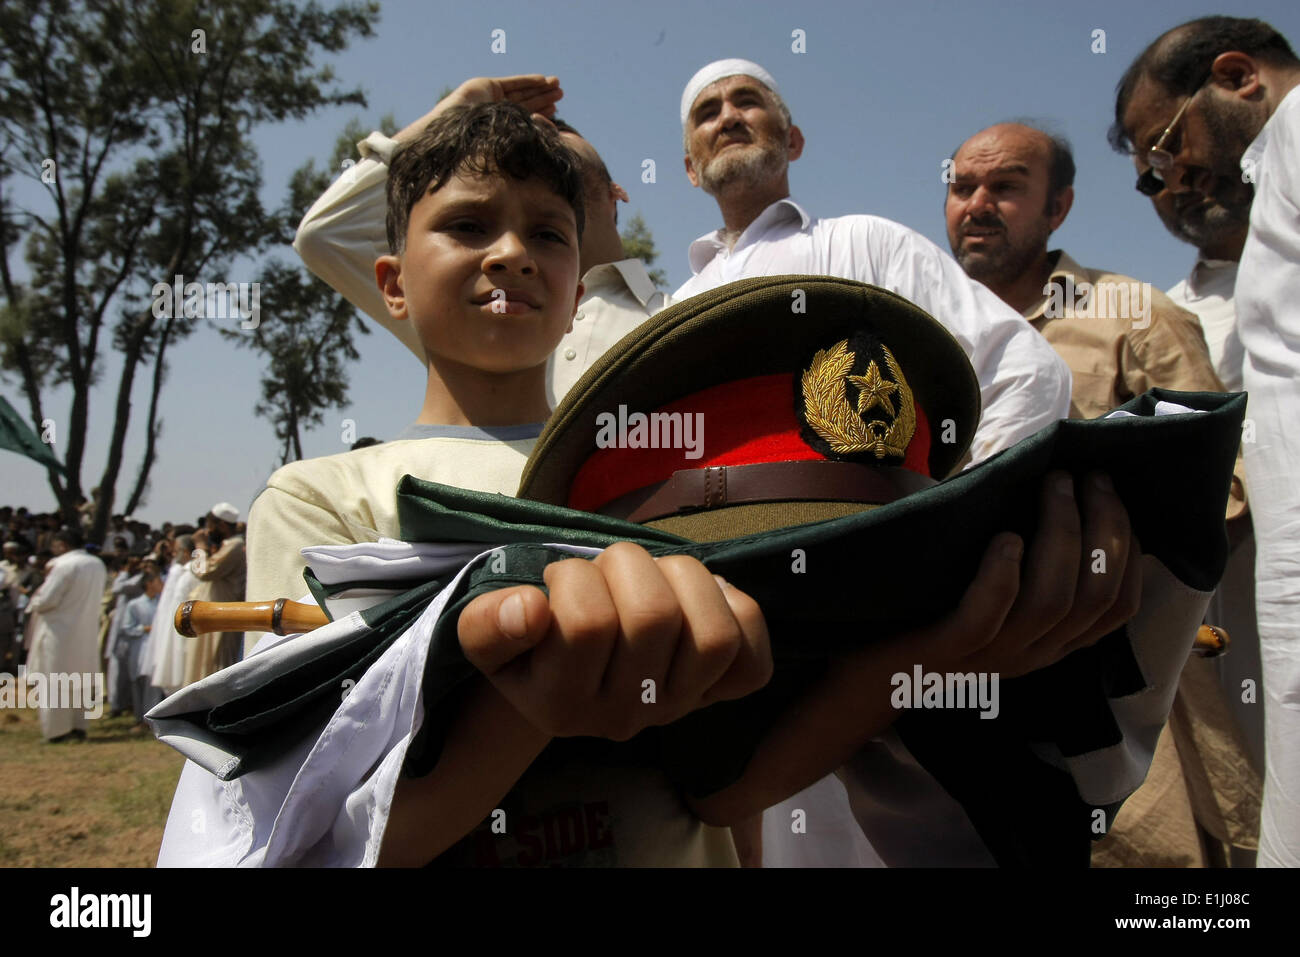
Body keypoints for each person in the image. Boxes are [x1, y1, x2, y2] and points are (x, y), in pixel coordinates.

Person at [676, 57, 1073, 866]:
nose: (728, 114)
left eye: (748, 100)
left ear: (792, 138)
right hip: (739, 648)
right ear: (688, 167)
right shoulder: (673, 312)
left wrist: (937, 545)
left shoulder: (863, 241)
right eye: (707, 110)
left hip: (890, 629)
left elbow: (1029, 374)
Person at [947, 120, 1259, 866]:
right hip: (955, 685)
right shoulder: (926, 337)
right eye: (962, 186)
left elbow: (1225, 489)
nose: (978, 203)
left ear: (1060, 207)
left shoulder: (1136, 314)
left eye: (1006, 186)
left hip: (1117, 688)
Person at [1109, 14, 1300, 868]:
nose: (1168, 179)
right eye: (1150, 176)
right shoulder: (1163, 310)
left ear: (1236, 77)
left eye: (1164, 146)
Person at [293, 75, 665, 413]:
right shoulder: (467, 305)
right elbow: (326, 234)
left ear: (618, 193)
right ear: (397, 287)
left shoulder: (682, 317)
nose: (538, 127)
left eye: (561, 129)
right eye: (470, 226)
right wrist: (453, 112)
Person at [24, 529, 106, 742]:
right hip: (86, 630)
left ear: (62, 545)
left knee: (55, 680)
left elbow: (46, 600)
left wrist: (35, 599)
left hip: (59, 631)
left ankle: (57, 731)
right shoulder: (97, 564)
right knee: (80, 680)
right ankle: (80, 726)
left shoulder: (63, 566)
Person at [183, 503, 246, 685]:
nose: (207, 531)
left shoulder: (235, 546)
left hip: (222, 614)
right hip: (213, 612)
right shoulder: (228, 546)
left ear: (222, 525)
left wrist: (199, 546)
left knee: (216, 665)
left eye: (210, 526)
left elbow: (203, 571)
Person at [147, 534, 199, 699]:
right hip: (172, 628)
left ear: (184, 552)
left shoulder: (192, 572)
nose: (172, 554)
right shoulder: (181, 571)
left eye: (176, 550)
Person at [117, 567, 162, 731]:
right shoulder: (135, 604)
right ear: (149, 584)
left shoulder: (161, 602)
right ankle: (139, 717)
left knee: (153, 683)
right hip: (139, 646)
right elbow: (126, 627)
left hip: (155, 647)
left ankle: (151, 718)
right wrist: (144, 629)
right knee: (138, 683)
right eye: (158, 581)